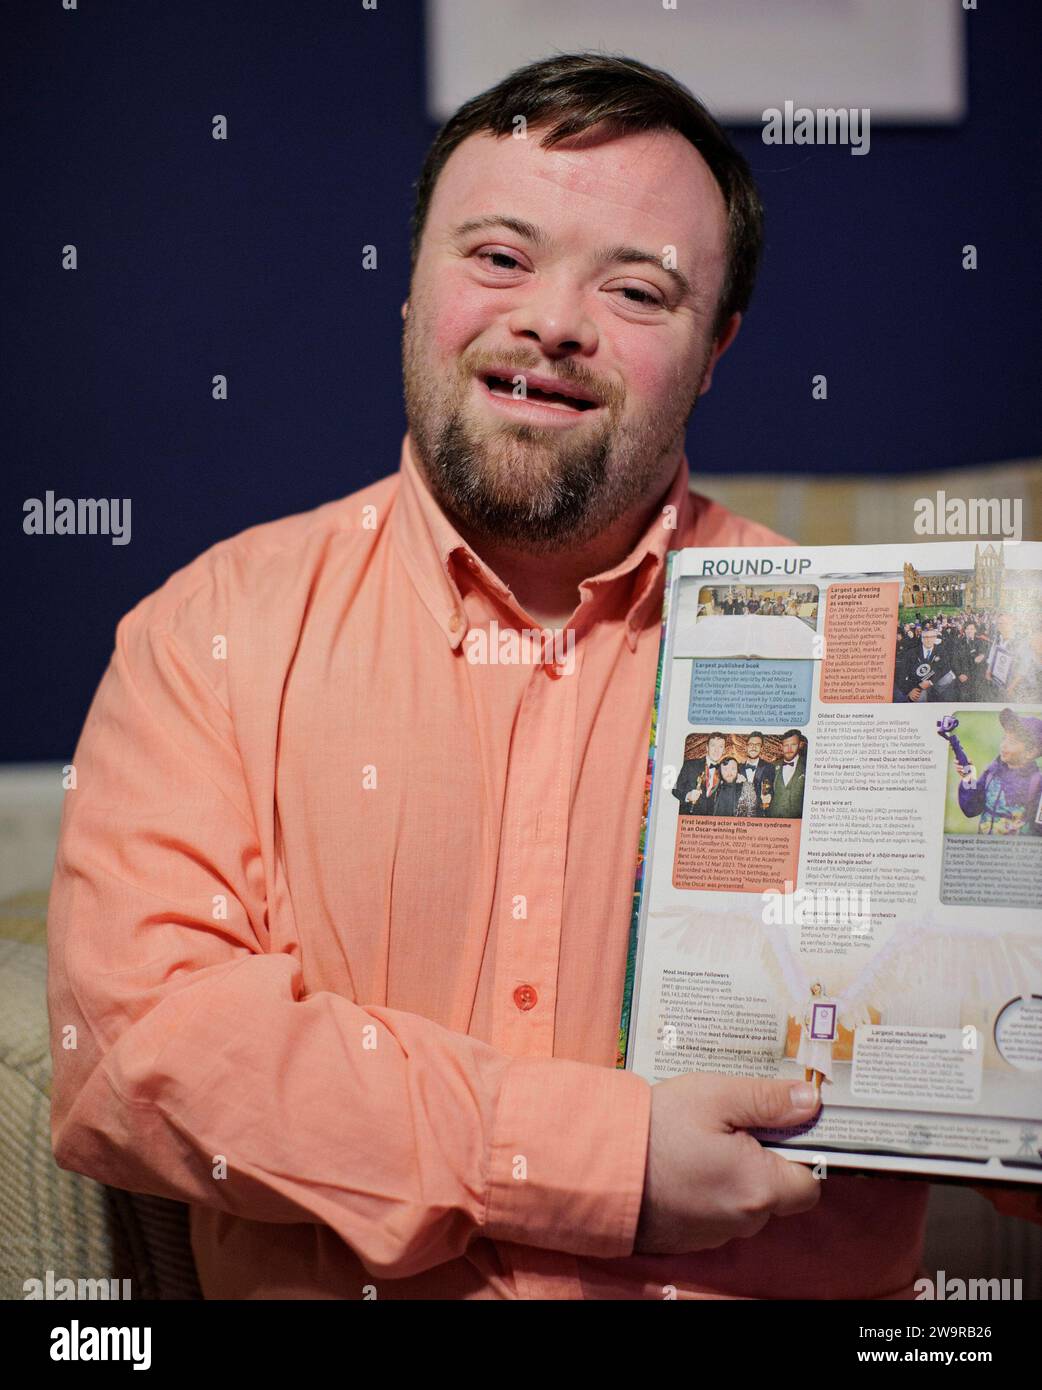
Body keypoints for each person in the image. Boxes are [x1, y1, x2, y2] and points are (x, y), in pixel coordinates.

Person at [49, 53, 957, 1303]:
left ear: (714, 350)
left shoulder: (880, 663)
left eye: (636, 288)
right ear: (413, 289)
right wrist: (604, 1159)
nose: (553, 321)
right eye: (498, 258)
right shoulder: (210, 631)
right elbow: (142, 1054)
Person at [952, 709, 1042, 836]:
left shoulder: (1037, 784)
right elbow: (970, 808)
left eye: (1012, 742)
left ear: (1030, 752)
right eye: (1004, 739)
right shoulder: (992, 773)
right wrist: (969, 777)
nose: (1003, 745)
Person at [672, 731, 726, 815]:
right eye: (713, 745)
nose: (716, 750)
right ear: (707, 747)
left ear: (724, 750)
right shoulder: (690, 765)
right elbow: (675, 789)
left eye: (721, 747)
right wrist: (688, 796)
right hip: (689, 820)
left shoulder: (725, 771)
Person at [796, 982, 835, 1097]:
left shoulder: (827, 1001)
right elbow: (801, 1018)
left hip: (822, 1036)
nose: (815, 987)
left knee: (820, 1061)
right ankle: (807, 1088)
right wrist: (806, 1030)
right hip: (809, 1035)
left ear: (822, 986)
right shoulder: (807, 1001)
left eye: (817, 985)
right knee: (809, 1060)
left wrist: (833, 1032)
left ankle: (817, 1089)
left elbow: (832, 1017)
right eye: (813, 985)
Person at [765, 730, 807, 819]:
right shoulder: (772, 766)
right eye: (786, 745)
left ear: (800, 745)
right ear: (781, 747)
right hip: (773, 820)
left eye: (793, 745)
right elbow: (765, 788)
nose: (789, 749)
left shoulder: (807, 766)